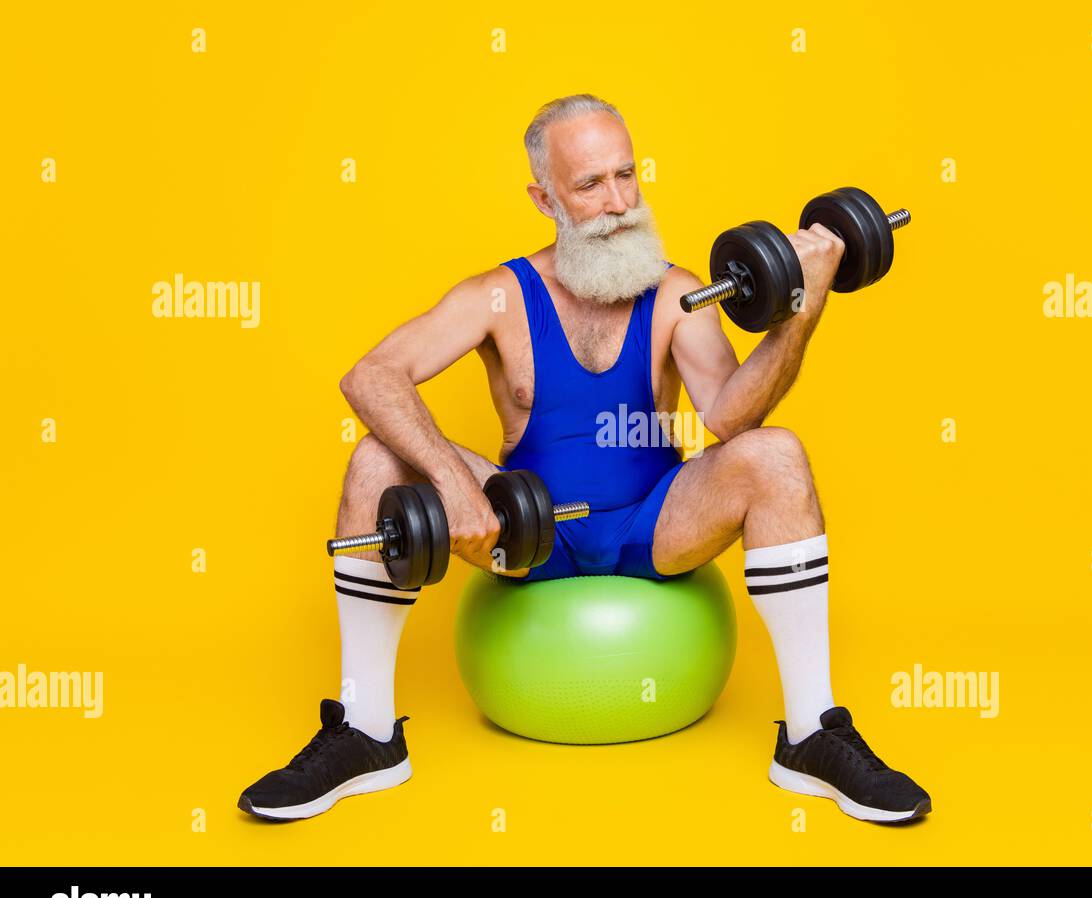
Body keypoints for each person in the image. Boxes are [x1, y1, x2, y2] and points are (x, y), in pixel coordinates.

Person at [238, 94, 930, 824]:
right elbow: (370, 376)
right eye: (590, 185)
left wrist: (804, 306)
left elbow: (733, 418)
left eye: (627, 175)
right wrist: (451, 481)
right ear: (544, 198)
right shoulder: (499, 297)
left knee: (777, 454)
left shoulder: (676, 293)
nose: (619, 203)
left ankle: (812, 733)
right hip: (526, 530)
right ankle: (367, 731)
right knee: (376, 462)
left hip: (653, 527)